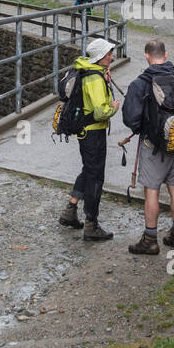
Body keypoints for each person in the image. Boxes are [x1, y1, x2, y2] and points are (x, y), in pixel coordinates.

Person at [121, 39, 174, 255]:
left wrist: (144, 127)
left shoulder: (139, 84)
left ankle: (150, 239)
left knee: (152, 190)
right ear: (166, 55)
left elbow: (130, 118)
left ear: (147, 56)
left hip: (152, 146)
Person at [59, 37, 120, 241]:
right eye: (109, 54)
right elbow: (101, 111)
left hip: (85, 132)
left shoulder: (89, 71)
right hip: (93, 132)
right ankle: (91, 225)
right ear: (100, 56)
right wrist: (114, 107)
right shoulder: (94, 78)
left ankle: (70, 210)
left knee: (88, 170)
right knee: (96, 177)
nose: (112, 57)